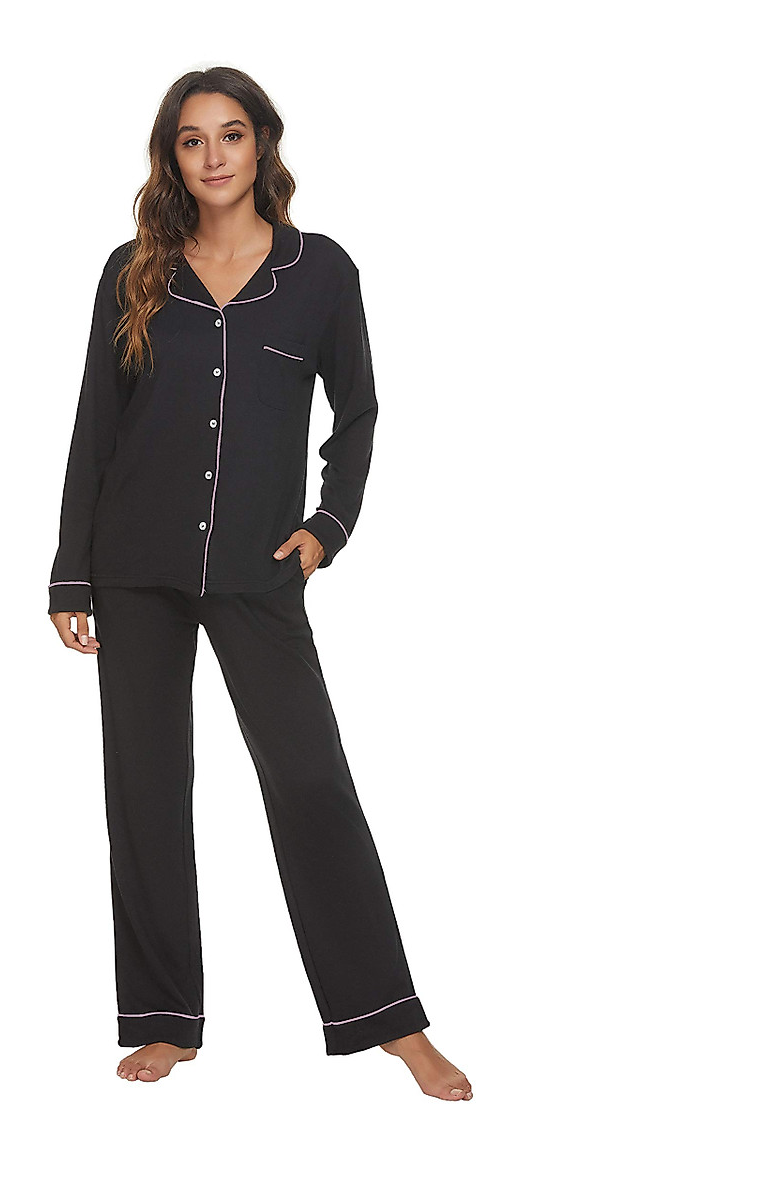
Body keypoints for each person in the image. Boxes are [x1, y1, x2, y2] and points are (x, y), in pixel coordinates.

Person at [48, 66, 472, 1102]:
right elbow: (98, 420)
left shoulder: (319, 272)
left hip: (259, 568)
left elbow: (358, 413)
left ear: (262, 144)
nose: (214, 155)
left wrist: (329, 527)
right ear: (172, 156)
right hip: (135, 564)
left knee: (312, 782)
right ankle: (165, 1021)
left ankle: (390, 1022)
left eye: (230, 134)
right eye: (192, 139)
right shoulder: (133, 272)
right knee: (145, 790)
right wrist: (72, 571)